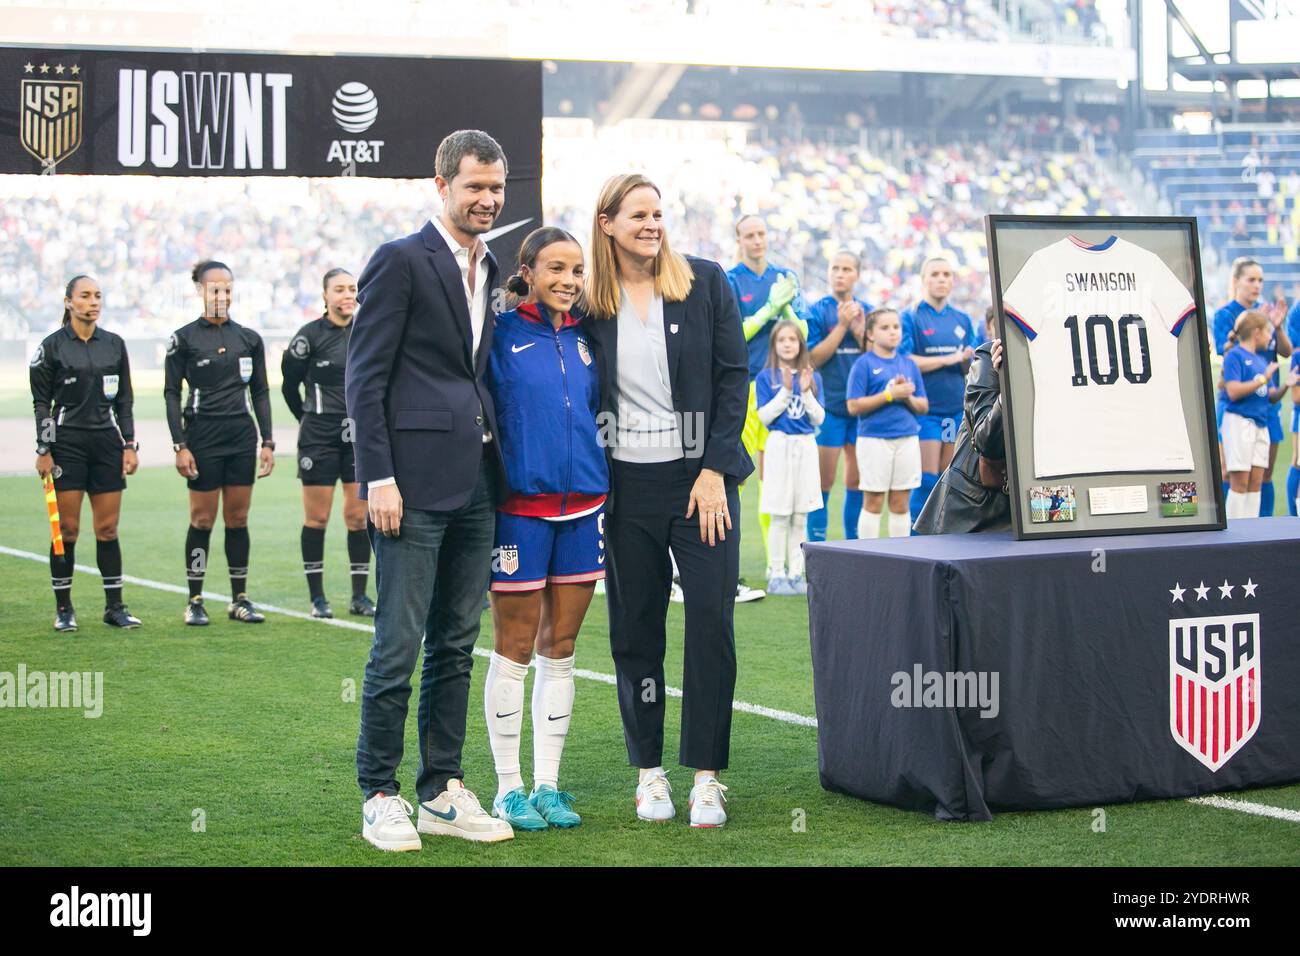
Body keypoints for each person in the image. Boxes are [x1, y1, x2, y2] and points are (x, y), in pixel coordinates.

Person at [347, 129, 514, 852]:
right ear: (440, 185)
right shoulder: (398, 260)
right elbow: (364, 376)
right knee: (397, 644)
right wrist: (377, 476)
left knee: (456, 643)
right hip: (408, 485)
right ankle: (379, 793)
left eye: (497, 187)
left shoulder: (493, 263)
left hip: (478, 479)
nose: (487, 198)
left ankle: (441, 787)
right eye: (475, 185)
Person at [582, 173, 752, 828]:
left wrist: (713, 469)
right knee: (635, 629)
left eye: (658, 213)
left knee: (712, 620)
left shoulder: (705, 281)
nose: (652, 224)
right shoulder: (590, 301)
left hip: (702, 483)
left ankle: (706, 777)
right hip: (626, 486)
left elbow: (733, 375)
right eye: (638, 214)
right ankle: (649, 772)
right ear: (608, 224)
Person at [482, 227, 605, 832]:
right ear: (526, 271)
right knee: (514, 649)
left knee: (561, 649)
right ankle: (508, 788)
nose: (568, 280)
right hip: (519, 509)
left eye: (577, 270)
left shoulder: (589, 337)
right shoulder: (500, 335)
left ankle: (549, 786)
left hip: (585, 506)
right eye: (556, 268)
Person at [164, 260, 275, 627]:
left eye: (227, 288)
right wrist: (180, 444)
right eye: (214, 288)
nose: (221, 295)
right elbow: (170, 394)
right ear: (199, 290)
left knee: (238, 518)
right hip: (202, 437)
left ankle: (239, 598)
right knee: (202, 519)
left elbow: (260, 392)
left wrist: (268, 441)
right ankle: (195, 598)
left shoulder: (248, 339)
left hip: (240, 437)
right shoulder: (183, 339)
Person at [30, 275, 141, 632]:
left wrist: (129, 444)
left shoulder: (114, 344)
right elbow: (42, 404)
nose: (93, 302)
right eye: (85, 296)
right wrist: (44, 449)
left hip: (107, 445)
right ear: (69, 302)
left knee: (107, 529)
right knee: (68, 529)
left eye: (98, 296)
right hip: (68, 447)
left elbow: (124, 399)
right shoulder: (51, 347)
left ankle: (115, 607)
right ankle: (64, 608)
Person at [282, 268, 375, 619]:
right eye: (339, 290)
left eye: (352, 289)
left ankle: (359, 597)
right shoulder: (308, 337)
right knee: (317, 518)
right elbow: (289, 387)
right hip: (318, 438)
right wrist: (309, 420)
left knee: (357, 516)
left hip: (358, 438)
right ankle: (317, 598)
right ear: (325, 296)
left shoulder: (367, 332)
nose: (347, 295)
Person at [725, 214, 808, 602]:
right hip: (743, 386)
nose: (757, 240)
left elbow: (803, 333)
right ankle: (731, 563)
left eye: (762, 233)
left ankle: (775, 565)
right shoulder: (730, 279)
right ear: (739, 239)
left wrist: (787, 307)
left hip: (783, 387)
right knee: (738, 476)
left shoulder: (784, 276)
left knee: (774, 477)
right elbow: (732, 334)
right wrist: (769, 309)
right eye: (750, 235)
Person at [899, 257, 975, 529]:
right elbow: (907, 360)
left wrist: (965, 359)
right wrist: (950, 359)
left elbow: (972, 363)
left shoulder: (963, 319)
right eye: (935, 274)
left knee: (947, 478)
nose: (942, 279)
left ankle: (940, 537)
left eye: (946, 274)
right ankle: (916, 538)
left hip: (954, 411)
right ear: (924, 280)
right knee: (926, 478)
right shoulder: (911, 316)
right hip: (925, 412)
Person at [1212, 257, 1291, 516]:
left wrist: (1276, 327)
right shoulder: (1226, 314)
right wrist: (1260, 376)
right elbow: (1229, 354)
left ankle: (1263, 528)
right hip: (1239, 403)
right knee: (1231, 471)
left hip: (1267, 400)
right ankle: (1229, 528)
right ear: (1236, 282)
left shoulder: (1267, 312)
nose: (1257, 285)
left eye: (1260, 280)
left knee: (1263, 472)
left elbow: (1285, 351)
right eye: (1251, 279)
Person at [846, 308, 928, 538]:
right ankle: (869, 558)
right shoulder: (863, 364)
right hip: (874, 439)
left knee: (901, 502)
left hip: (907, 438)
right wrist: (890, 394)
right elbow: (853, 406)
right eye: (885, 327)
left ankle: (898, 560)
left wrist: (907, 396)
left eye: (896, 327)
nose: (893, 332)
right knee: (873, 500)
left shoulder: (909, 364)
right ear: (870, 334)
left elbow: (923, 406)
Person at [915, 338, 1011, 534]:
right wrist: (1009, 390)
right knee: (925, 477)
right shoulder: (987, 356)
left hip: (1030, 504)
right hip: (975, 508)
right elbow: (986, 442)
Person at [806, 250, 870, 542]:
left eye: (847, 269)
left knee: (856, 481)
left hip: (861, 410)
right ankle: (816, 548)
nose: (840, 274)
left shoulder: (868, 310)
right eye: (835, 268)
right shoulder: (818, 310)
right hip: (829, 407)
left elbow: (879, 357)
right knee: (823, 480)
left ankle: (853, 545)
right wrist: (843, 326)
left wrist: (859, 331)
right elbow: (813, 358)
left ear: (857, 274)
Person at [756, 319, 824, 594]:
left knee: (800, 514)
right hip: (779, 446)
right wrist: (786, 390)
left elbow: (819, 417)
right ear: (774, 344)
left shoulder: (812, 375)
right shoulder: (766, 377)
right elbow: (764, 417)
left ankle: (797, 572)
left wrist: (805, 392)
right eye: (782, 340)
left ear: (800, 344)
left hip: (805, 446)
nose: (787, 344)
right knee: (780, 513)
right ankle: (776, 572)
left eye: (792, 340)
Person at [1221, 310, 1298, 519]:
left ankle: (1251, 532)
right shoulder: (1235, 356)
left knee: (1257, 481)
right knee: (1240, 482)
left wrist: (1285, 384)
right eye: (1267, 332)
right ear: (1256, 332)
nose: (1269, 337)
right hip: (1240, 422)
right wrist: (1263, 379)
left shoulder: (1260, 360)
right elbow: (1233, 391)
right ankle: (1234, 534)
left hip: (1260, 424)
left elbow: (1270, 396)